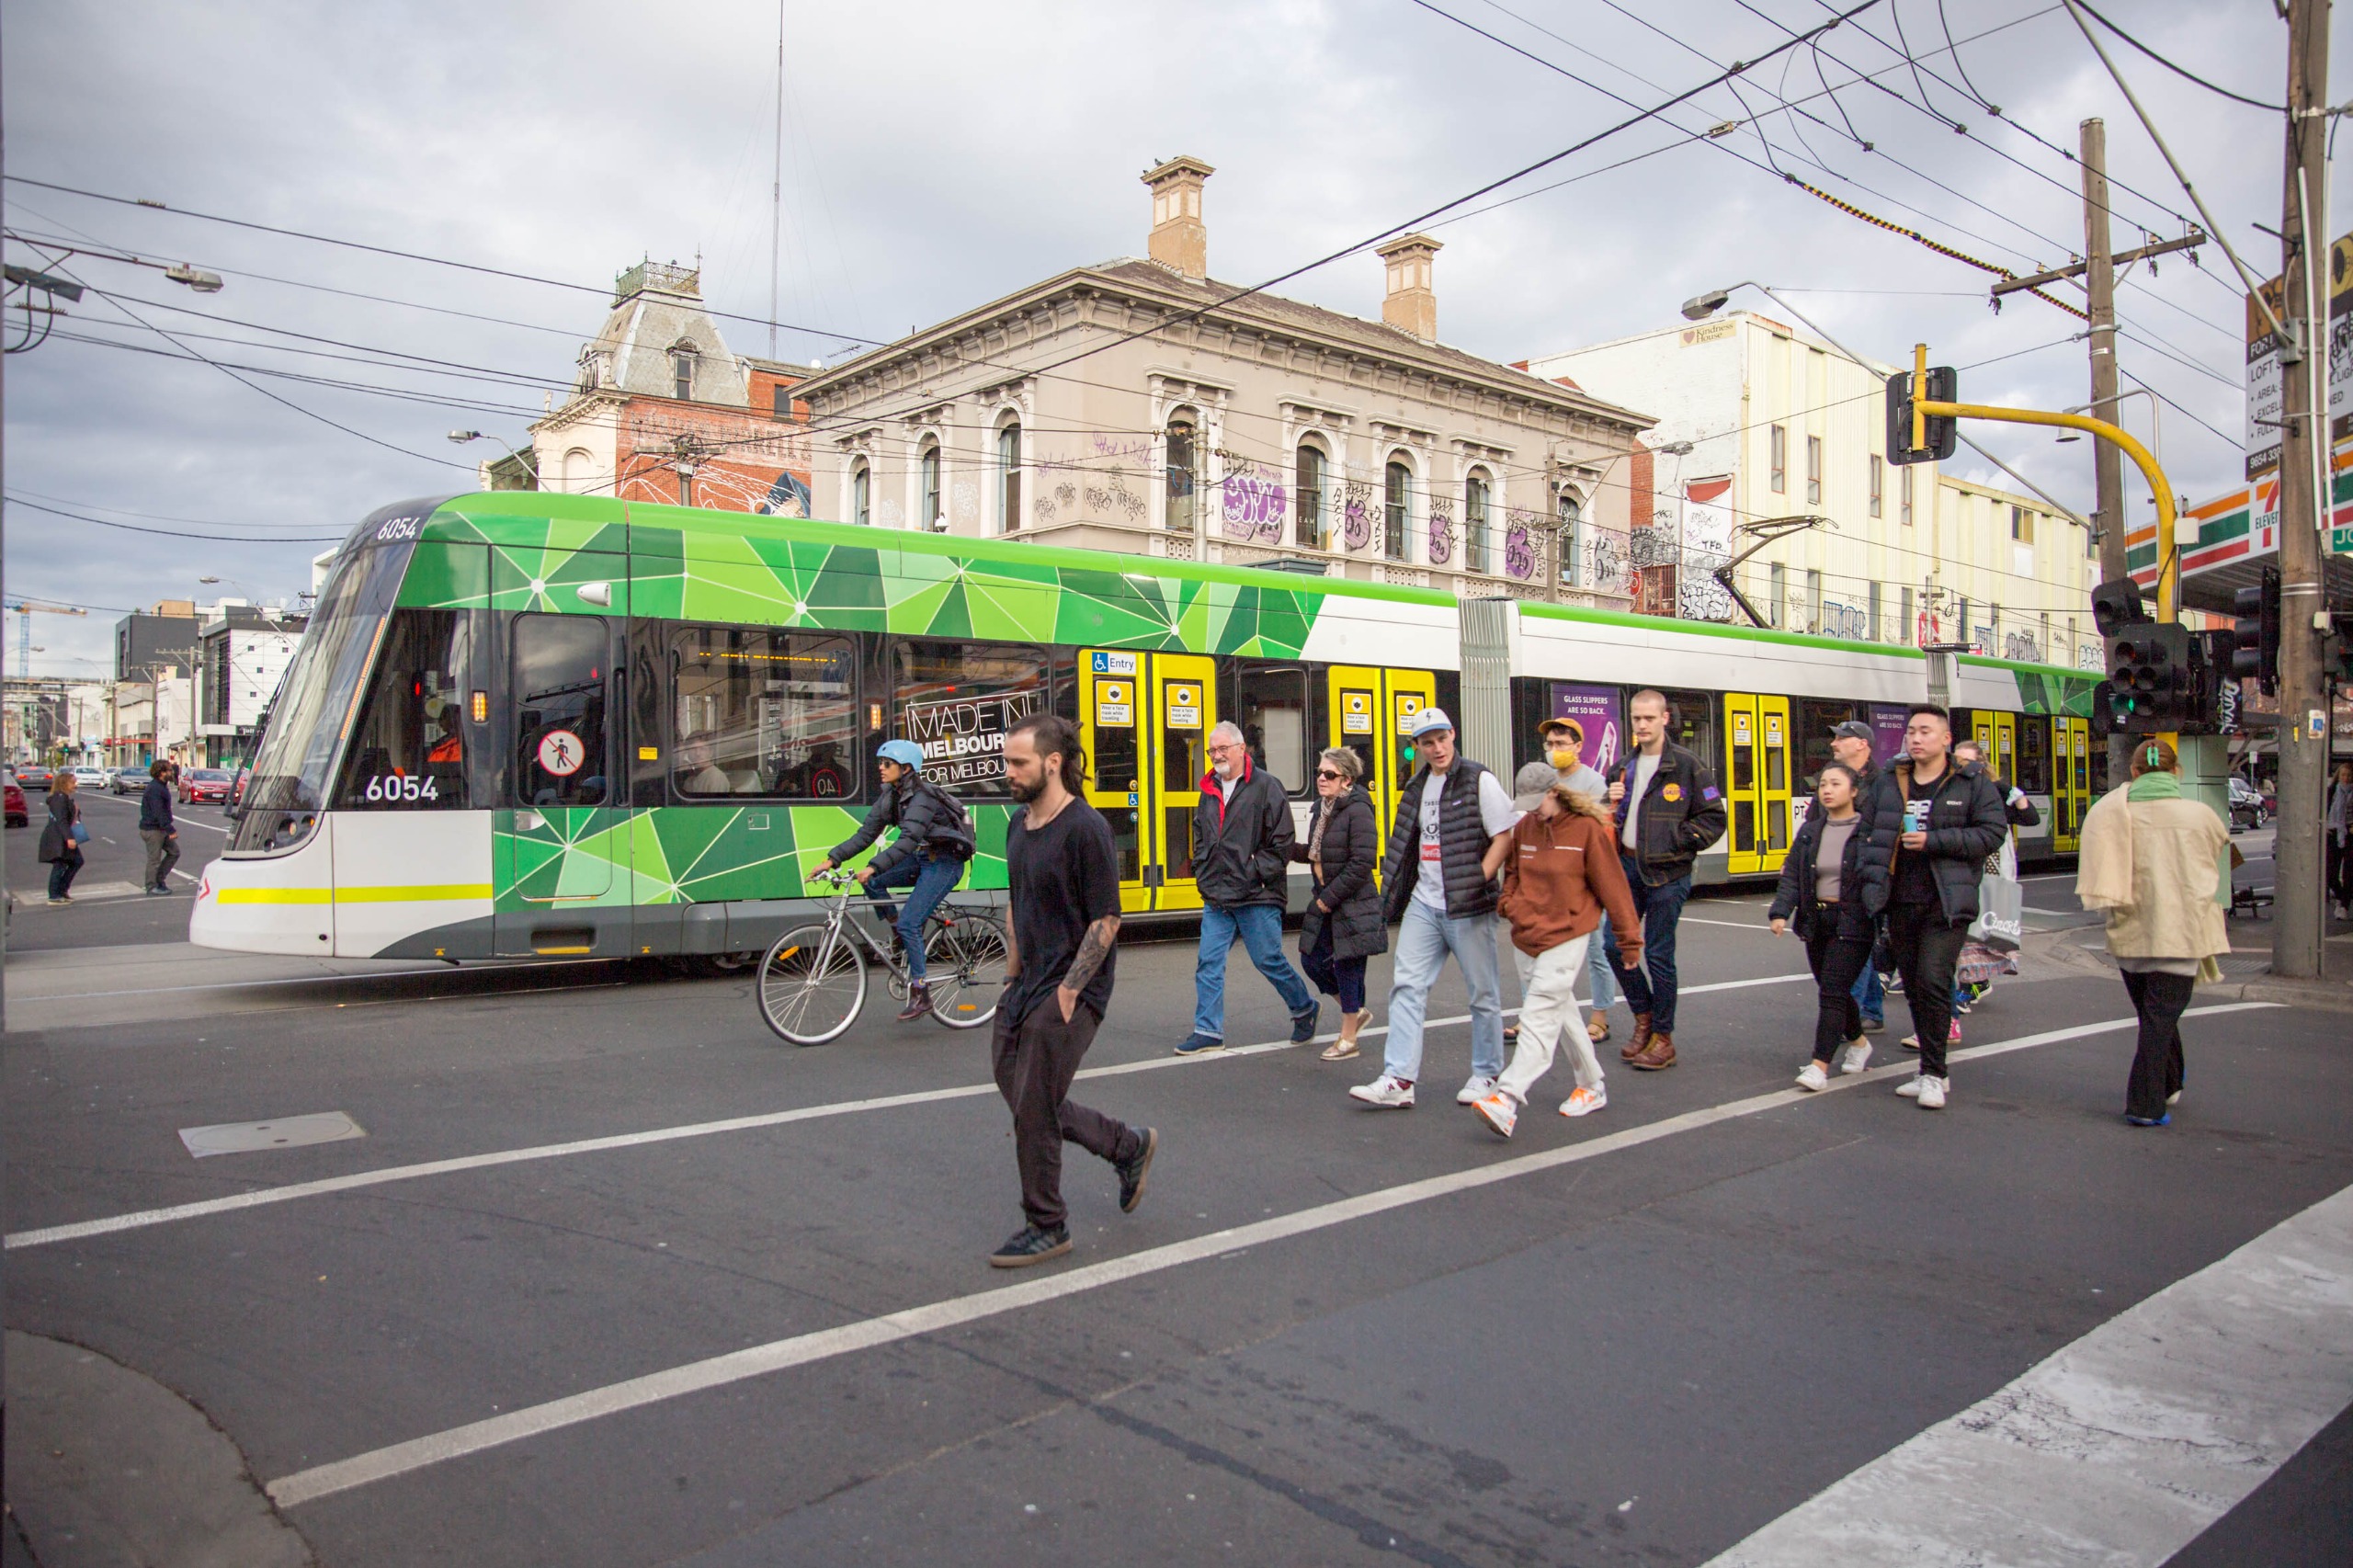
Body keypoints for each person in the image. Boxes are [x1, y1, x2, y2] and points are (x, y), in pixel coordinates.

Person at [987, 714, 1157, 1267]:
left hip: (1071, 989)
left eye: (1019, 763)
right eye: (1007, 761)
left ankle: (1047, 1224)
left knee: (1034, 1109)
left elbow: (1107, 919)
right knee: (1019, 1090)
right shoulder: (1018, 825)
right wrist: (1011, 977)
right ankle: (1126, 1145)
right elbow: (1017, 902)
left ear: (1053, 763)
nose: (1009, 772)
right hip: (1026, 983)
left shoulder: (1086, 828)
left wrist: (1068, 992)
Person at [1349, 709, 1516, 1110]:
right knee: (1406, 987)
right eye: (1427, 742)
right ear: (1417, 747)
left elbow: (1504, 836)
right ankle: (1399, 1079)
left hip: (1468, 904)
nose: (1437, 748)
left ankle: (1487, 1074)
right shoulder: (1416, 786)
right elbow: (1406, 844)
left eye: (1442, 738)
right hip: (1425, 903)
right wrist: (1394, 894)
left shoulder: (1479, 779)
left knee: (1483, 993)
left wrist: (1478, 879)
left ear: (1453, 735)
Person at [1469, 774, 1643, 1137]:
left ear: (1555, 792)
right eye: (1526, 805)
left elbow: (1614, 889)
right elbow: (1513, 872)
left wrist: (1629, 942)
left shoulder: (1587, 831)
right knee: (1560, 1012)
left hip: (1569, 933)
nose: (1532, 811)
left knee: (1540, 1014)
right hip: (1528, 934)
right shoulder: (1525, 828)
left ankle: (1508, 1097)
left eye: (1537, 803)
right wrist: (1509, 903)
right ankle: (1592, 1085)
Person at [1856, 703, 2009, 1109]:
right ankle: (1928, 1069)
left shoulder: (1970, 782)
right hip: (1899, 900)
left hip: (1946, 902)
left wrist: (1933, 841)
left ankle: (1935, 1074)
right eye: (1911, 732)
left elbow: (1992, 833)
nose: (1916, 738)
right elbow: (1867, 831)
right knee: (1913, 987)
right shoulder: (1891, 779)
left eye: (1925, 731)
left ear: (1946, 739)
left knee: (1933, 979)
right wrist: (1869, 878)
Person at [2076, 738, 2234, 1126]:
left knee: (2155, 1016)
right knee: (2159, 1020)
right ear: (2176, 771)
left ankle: (2170, 1082)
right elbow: (2217, 857)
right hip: (2182, 931)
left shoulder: (2109, 812)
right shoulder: (2201, 816)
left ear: (2134, 771)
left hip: (2130, 930)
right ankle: (2145, 1104)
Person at [1603, 689, 1729, 1072]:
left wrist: (1678, 841)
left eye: (1649, 718)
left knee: (1658, 954)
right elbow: (1609, 818)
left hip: (1668, 874)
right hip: (1627, 869)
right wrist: (1609, 800)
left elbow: (1714, 817)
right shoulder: (1622, 767)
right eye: (1636, 718)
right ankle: (1644, 1018)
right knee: (1613, 946)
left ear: (1664, 719)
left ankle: (1663, 1037)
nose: (1641, 725)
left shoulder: (1687, 765)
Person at [1176, 720, 1319, 1055]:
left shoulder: (1267, 786)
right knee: (1209, 962)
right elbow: (1200, 833)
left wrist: (1253, 872)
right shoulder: (1208, 789)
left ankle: (1304, 1008)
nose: (1216, 755)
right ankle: (1208, 1031)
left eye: (1222, 748)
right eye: (1212, 750)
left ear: (1242, 748)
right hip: (1218, 895)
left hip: (1257, 894)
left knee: (1268, 959)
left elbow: (1282, 843)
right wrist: (1202, 870)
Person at [813, 739, 977, 1022]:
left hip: (945, 862)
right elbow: (866, 834)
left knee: (910, 921)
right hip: (923, 857)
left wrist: (873, 865)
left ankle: (921, 994)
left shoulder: (923, 797)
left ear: (906, 768)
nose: (881, 767)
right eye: (880, 762)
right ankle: (900, 935)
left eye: (887, 763)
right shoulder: (891, 795)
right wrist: (831, 860)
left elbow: (908, 840)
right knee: (873, 883)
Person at [1770, 764, 1876, 1091]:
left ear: (1854, 791)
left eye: (1835, 784)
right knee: (1833, 990)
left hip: (1853, 921)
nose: (1827, 790)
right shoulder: (1811, 830)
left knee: (1832, 990)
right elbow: (1792, 874)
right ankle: (1859, 1043)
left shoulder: (1868, 832)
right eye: (1823, 785)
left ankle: (1819, 1066)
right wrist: (1780, 912)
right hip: (1816, 921)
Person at [1292, 746, 1385, 1062]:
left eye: (1329, 774)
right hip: (1327, 898)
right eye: (1319, 772)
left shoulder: (1358, 809)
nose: (1321, 778)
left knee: (1347, 967)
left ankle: (1348, 1038)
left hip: (1351, 903)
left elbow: (1362, 863)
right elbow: (1318, 853)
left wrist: (1327, 900)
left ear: (1346, 779)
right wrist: (1285, 849)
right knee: (1312, 961)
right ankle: (1355, 1011)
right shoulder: (1323, 808)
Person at [1946, 738, 2036, 1016]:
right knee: (1962, 929)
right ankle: (1972, 982)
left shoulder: (1994, 790)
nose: (1960, 765)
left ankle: (1973, 984)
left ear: (1981, 764)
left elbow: (2030, 818)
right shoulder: (1949, 788)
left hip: (1992, 870)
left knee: (1981, 930)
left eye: (1967, 761)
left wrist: (2017, 796)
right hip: (1961, 867)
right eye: (1957, 760)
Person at [1827, 721, 1887, 1035]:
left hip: (1863, 872)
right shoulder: (1833, 776)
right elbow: (1816, 821)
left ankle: (1844, 1019)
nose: (1834, 743)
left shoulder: (1882, 782)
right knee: (1855, 942)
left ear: (1862, 744)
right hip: (1837, 870)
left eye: (1841, 738)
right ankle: (1871, 1010)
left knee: (1852, 942)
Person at [38, 770, 85, 903]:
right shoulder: (59, 798)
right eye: (72, 782)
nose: (75, 785)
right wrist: (69, 838)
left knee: (76, 861)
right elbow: (61, 820)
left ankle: (62, 890)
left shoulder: (64, 798)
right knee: (60, 864)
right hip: (58, 837)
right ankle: (54, 895)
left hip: (62, 835)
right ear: (64, 784)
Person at [140, 759, 181, 895]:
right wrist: (169, 829)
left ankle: (159, 880)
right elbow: (158, 811)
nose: (172, 772)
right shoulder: (155, 789)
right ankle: (151, 887)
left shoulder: (161, 786)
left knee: (174, 852)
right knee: (154, 860)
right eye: (169, 770)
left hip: (160, 828)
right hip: (152, 829)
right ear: (161, 772)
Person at [2326, 761, 2352, 920]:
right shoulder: (2331, 792)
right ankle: (2341, 896)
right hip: (2334, 833)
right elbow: (2322, 810)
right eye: (2343, 775)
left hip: (2350, 834)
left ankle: (2344, 906)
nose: (2346, 778)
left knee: (2349, 873)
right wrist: (2324, 825)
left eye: (2349, 775)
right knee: (2330, 873)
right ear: (2338, 775)